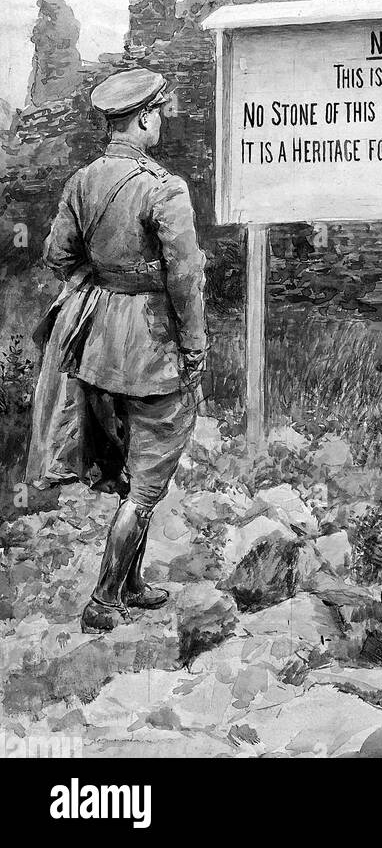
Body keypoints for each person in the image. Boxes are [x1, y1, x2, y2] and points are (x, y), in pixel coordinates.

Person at [29, 68, 207, 632]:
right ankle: (105, 599)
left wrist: (108, 275)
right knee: (150, 476)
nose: (162, 121)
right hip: (152, 347)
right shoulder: (164, 188)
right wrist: (195, 345)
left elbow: (57, 259)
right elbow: (185, 277)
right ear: (144, 117)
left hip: (96, 344)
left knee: (133, 474)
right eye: (159, 113)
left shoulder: (83, 180)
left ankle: (130, 582)